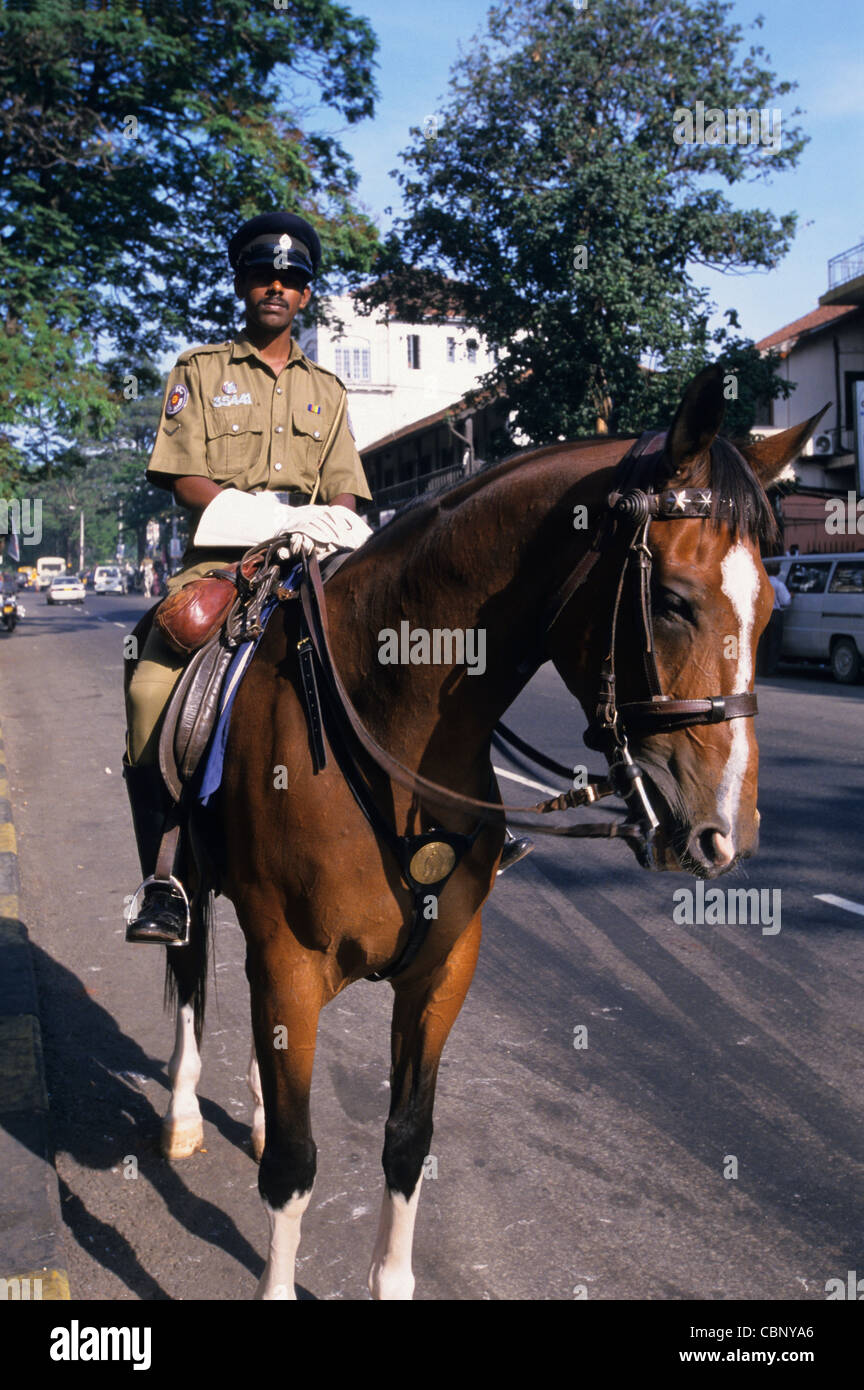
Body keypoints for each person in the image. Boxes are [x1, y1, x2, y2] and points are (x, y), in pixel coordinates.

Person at [756, 558, 791, 676]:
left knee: (762, 643)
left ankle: (760, 668)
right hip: (775, 614)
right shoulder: (779, 585)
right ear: (778, 572)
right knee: (774, 642)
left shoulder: (760, 583)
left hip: (762, 614)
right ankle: (771, 669)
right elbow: (786, 601)